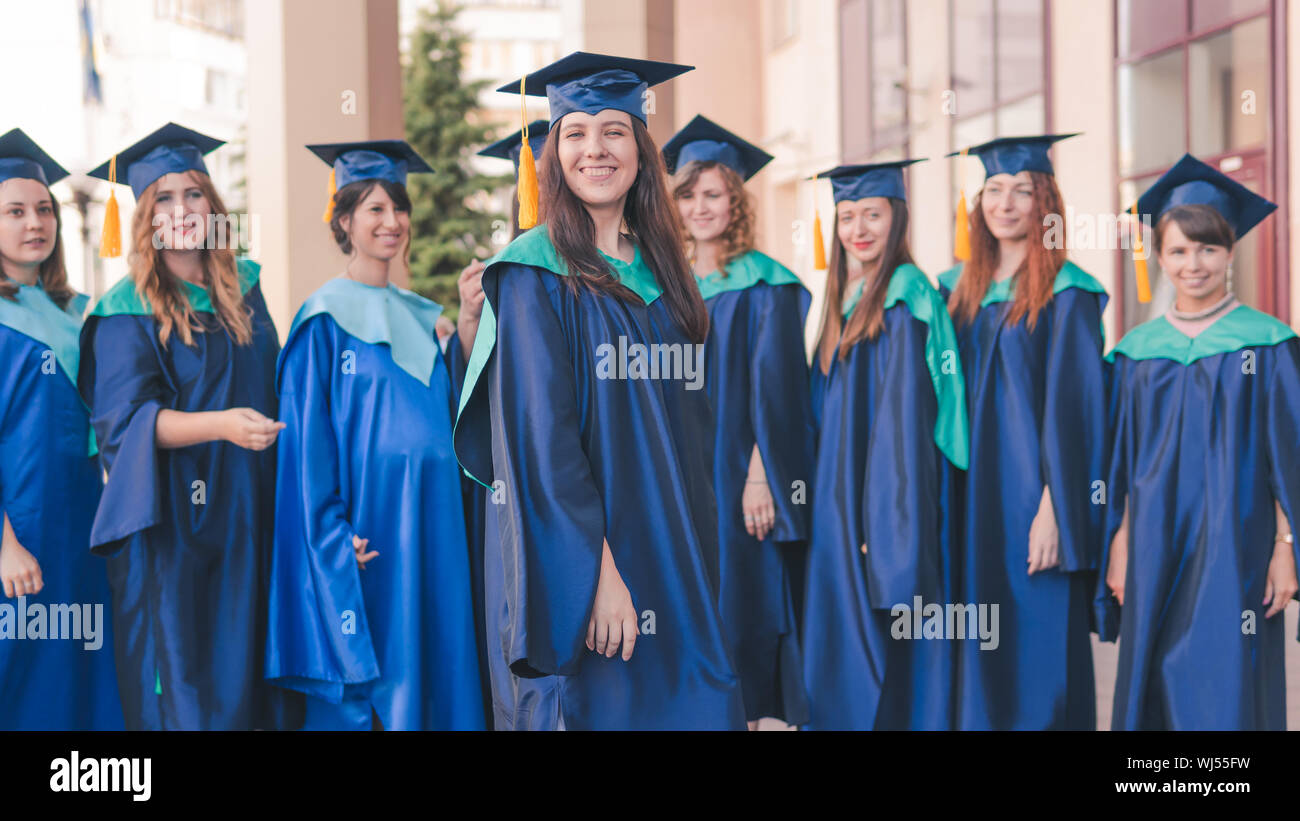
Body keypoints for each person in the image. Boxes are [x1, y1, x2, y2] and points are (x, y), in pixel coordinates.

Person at [454, 51, 746, 730]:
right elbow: (542, 440)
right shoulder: (531, 274)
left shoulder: (665, 277)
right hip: (592, 563)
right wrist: (593, 575)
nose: (596, 149)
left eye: (614, 130)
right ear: (553, 153)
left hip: (673, 549)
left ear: (641, 149)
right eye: (576, 133)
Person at [80, 123, 299, 730]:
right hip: (173, 525)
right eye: (165, 199)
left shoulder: (245, 291)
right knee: (188, 688)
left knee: (254, 676)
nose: (182, 211)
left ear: (214, 205)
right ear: (145, 217)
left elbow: (278, 388)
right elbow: (125, 426)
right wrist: (221, 425)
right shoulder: (125, 311)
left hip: (249, 511)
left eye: (194, 194)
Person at [265, 140, 486, 731]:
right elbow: (306, 448)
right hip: (373, 531)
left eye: (399, 209)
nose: (393, 223)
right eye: (374, 210)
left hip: (436, 523)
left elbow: (452, 414)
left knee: (440, 661)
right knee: (382, 674)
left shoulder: (422, 316)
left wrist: (466, 323)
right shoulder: (322, 321)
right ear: (344, 222)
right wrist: (329, 537)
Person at [1098, 154, 1300, 730]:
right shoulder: (1135, 354)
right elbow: (1121, 463)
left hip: (1237, 541)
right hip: (1154, 541)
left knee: (1227, 672)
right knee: (1151, 671)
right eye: (1180, 251)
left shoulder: (1267, 344)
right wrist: (1120, 541)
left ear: (1230, 252)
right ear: (1159, 257)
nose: (1195, 264)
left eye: (1208, 248)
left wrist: (1285, 547)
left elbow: (1290, 456)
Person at [939, 134, 1105, 730]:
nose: (1005, 203)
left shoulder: (1069, 292)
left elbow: (1079, 412)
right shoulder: (955, 290)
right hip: (968, 499)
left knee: (1039, 647)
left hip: (1031, 498)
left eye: (1022, 191)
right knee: (980, 644)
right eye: (993, 189)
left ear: (1045, 203)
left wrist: (1057, 505)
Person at [801, 160, 969, 730]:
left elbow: (904, 429)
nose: (858, 228)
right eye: (847, 217)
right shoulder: (846, 295)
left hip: (880, 507)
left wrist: (890, 526)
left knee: (887, 648)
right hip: (839, 502)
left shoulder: (904, 297)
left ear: (896, 217)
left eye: (871, 214)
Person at [664, 114, 812, 729]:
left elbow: (778, 394)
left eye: (715, 194)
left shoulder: (766, 285)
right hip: (678, 471)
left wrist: (761, 475)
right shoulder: (662, 283)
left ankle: (759, 714)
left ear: (736, 202)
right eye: (691, 194)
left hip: (737, 471)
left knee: (746, 594)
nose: (702, 207)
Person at [0, 129, 121, 730]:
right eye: (15, 211)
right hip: (18, 527)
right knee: (22, 671)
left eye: (44, 209)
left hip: (82, 521)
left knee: (83, 664)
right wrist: (3, 543)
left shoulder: (77, 313)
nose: (35, 223)